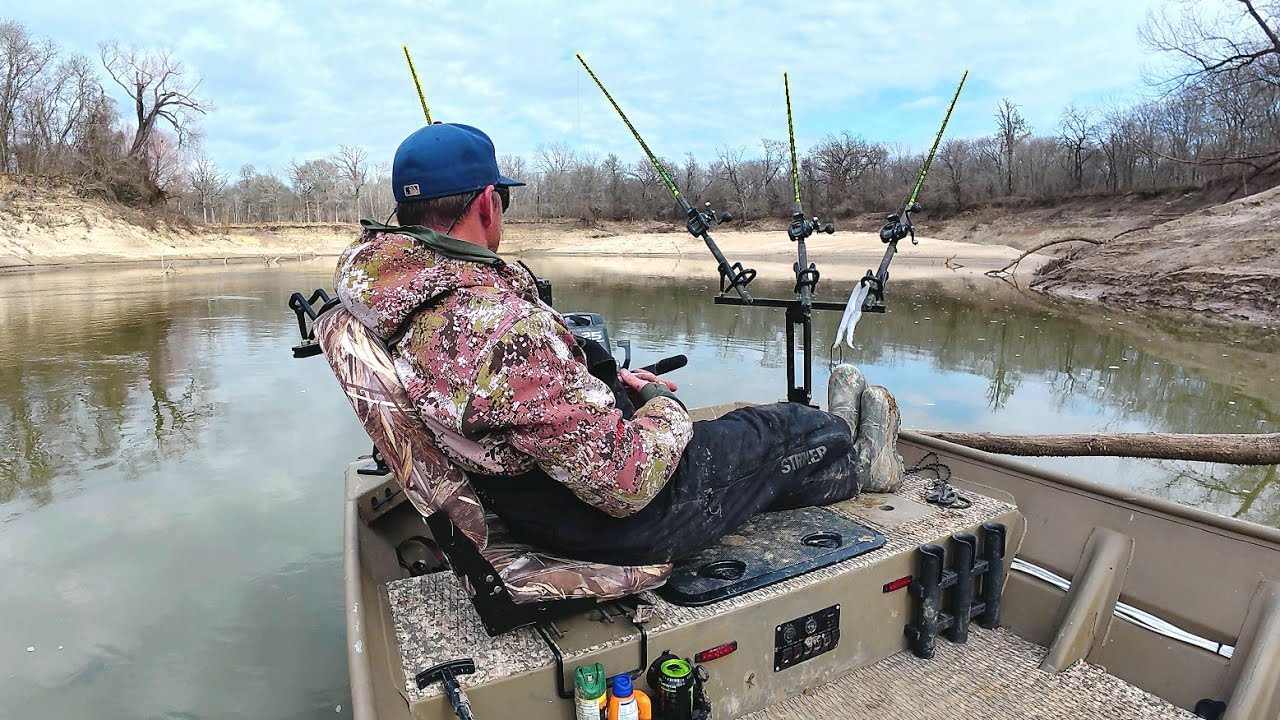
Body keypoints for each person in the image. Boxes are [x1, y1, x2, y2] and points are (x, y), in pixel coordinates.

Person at [334, 122, 905, 566]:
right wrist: (662, 405)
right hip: (612, 520)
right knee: (779, 430)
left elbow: (517, 397)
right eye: (501, 201)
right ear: (487, 202)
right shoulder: (496, 329)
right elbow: (627, 479)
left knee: (748, 454)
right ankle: (858, 458)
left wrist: (604, 386)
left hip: (534, 489)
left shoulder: (402, 292)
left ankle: (839, 442)